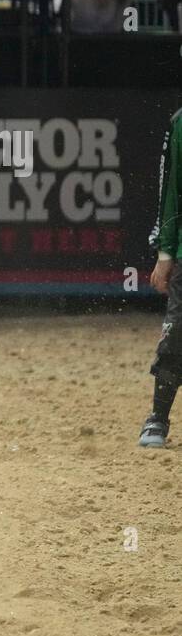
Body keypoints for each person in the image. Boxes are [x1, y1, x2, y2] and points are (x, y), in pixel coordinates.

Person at [139, 106, 182, 448]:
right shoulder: (180, 123)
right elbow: (171, 190)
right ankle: (158, 417)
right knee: (177, 336)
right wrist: (165, 253)